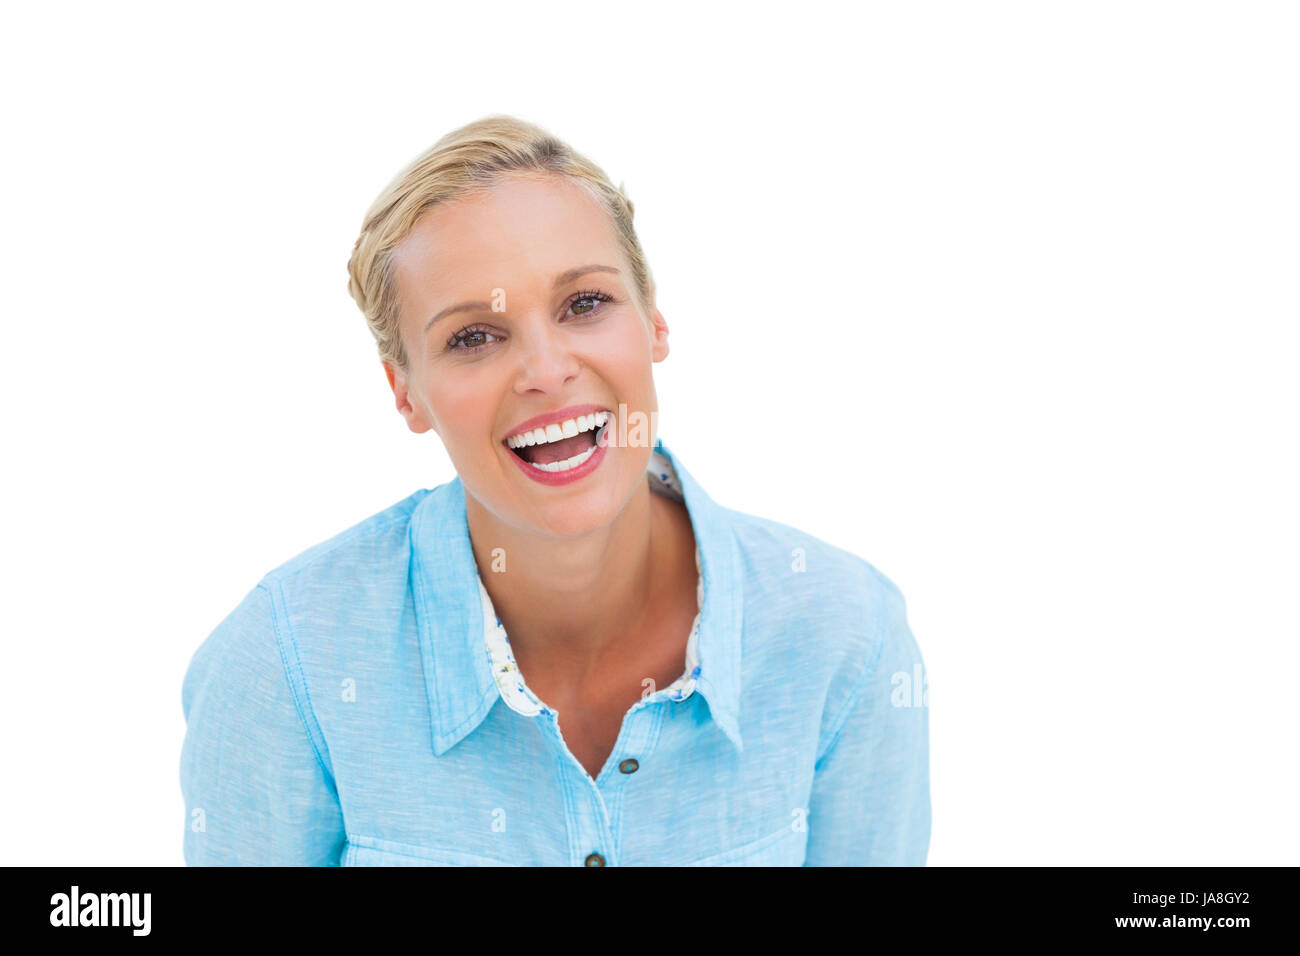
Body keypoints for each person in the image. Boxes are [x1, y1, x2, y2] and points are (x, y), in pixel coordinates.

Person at [179, 114, 931, 866]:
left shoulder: (847, 638)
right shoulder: (284, 668)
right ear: (404, 391)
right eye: (473, 336)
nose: (545, 369)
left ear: (653, 320)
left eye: (584, 304)